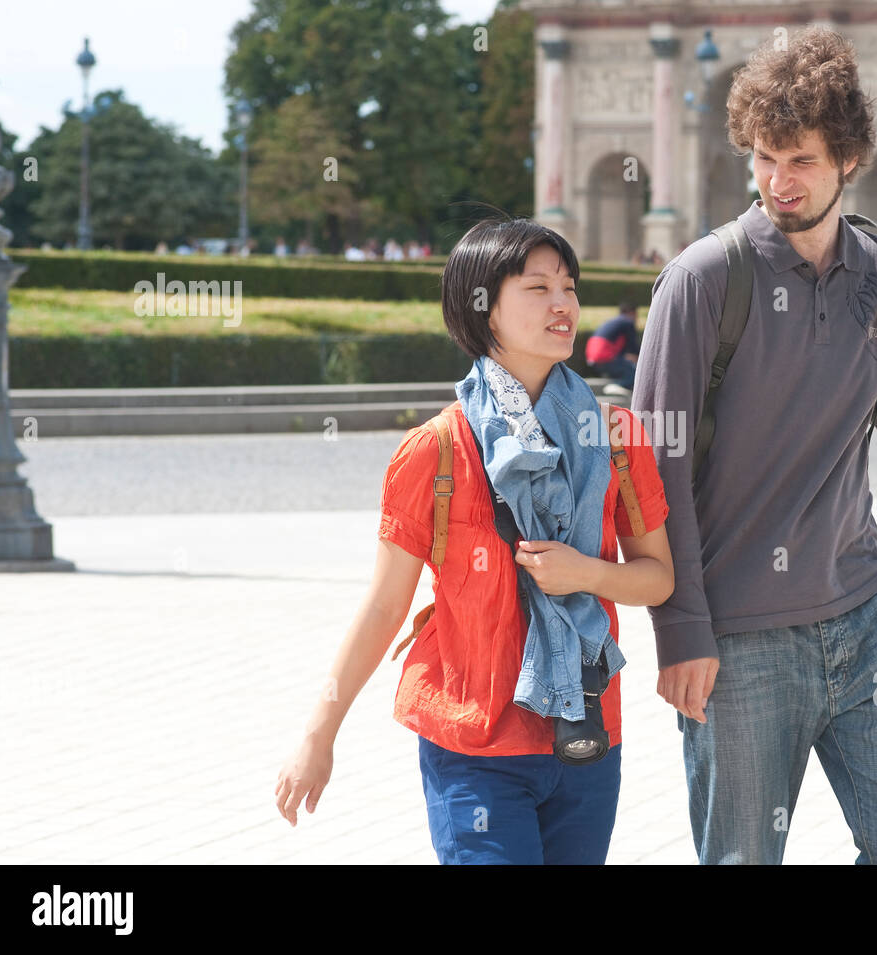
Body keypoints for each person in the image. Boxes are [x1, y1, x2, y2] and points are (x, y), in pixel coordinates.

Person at [631, 26, 877, 865]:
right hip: (738, 634)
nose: (780, 182)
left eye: (803, 161)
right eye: (765, 159)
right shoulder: (703, 280)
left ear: (849, 159)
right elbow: (649, 466)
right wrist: (680, 630)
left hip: (866, 605)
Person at [274, 217, 676, 864]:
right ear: (483, 308)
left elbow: (658, 575)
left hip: (586, 735)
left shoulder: (619, 436)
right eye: (538, 287)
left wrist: (587, 573)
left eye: (569, 286)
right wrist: (318, 735)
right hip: (472, 744)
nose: (563, 304)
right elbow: (384, 606)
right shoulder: (434, 450)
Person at [585, 300, 641, 396]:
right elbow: (633, 348)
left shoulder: (613, 321)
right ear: (633, 313)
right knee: (634, 372)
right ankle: (620, 385)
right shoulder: (628, 322)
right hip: (605, 356)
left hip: (593, 358)